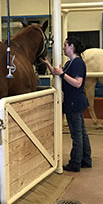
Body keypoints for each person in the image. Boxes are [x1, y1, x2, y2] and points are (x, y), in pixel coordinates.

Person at [41, 36, 92, 172]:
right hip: (75, 102)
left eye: (65, 45)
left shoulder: (77, 63)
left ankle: (75, 163)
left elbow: (77, 83)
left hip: (74, 102)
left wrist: (63, 74)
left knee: (77, 134)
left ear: (71, 47)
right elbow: (58, 74)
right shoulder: (71, 63)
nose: (63, 48)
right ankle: (86, 160)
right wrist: (47, 64)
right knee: (81, 133)